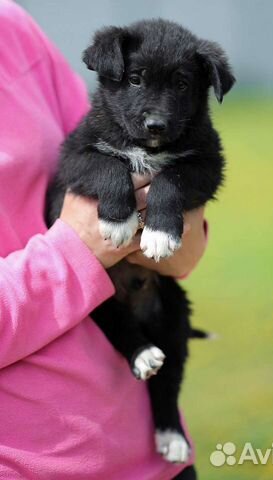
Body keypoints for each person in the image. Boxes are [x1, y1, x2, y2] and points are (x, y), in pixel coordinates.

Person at [0, 1, 208, 478]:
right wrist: (75, 253)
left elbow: (92, 136)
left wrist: (174, 227)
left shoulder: (10, 27)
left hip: (152, 457)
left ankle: (165, 418)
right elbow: (90, 170)